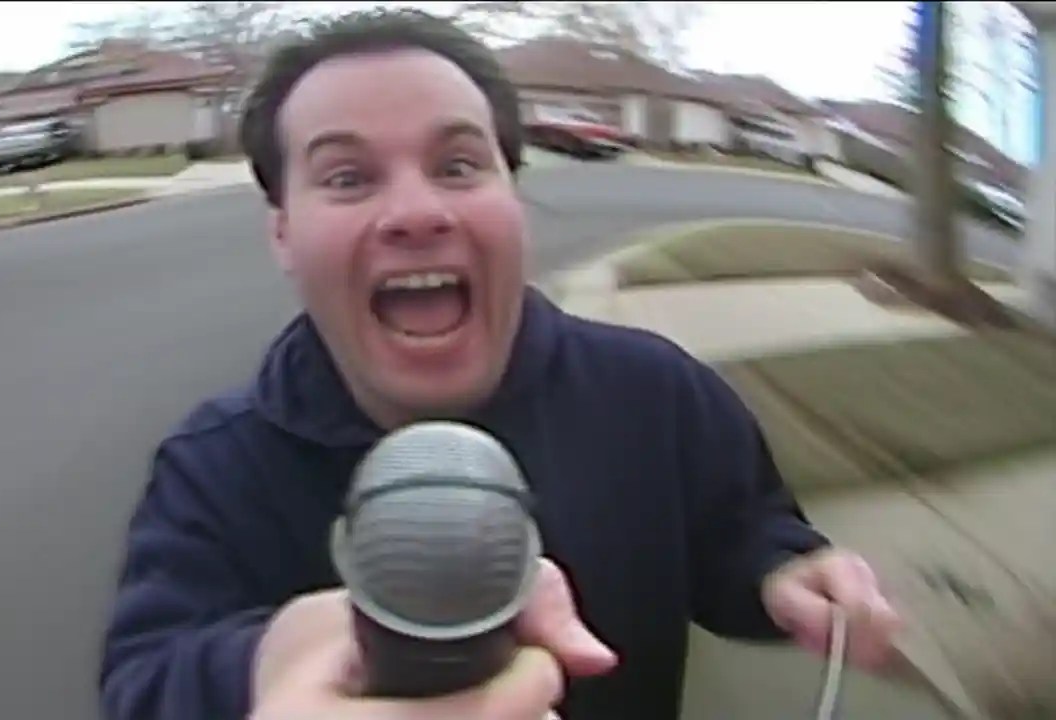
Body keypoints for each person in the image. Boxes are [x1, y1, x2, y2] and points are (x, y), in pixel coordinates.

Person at [98, 9, 902, 720]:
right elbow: (146, 678)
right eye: (347, 176)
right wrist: (274, 659)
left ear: (512, 195)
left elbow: (739, 532)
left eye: (456, 165)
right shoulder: (211, 469)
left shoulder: (657, 394)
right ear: (282, 232)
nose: (416, 213)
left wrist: (784, 575)